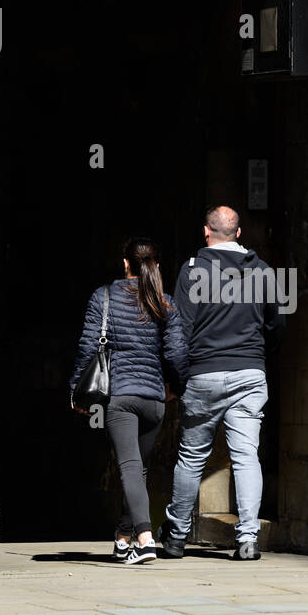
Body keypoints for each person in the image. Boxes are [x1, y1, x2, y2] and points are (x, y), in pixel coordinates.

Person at [160, 205, 287, 562]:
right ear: (239, 233)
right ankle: (247, 538)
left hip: (204, 373)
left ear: (206, 232)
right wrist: (260, 351)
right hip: (249, 372)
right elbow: (277, 324)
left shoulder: (192, 271)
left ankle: (176, 537)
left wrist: (175, 377)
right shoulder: (261, 271)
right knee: (247, 456)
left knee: (190, 458)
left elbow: (180, 329)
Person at [70, 237, 188, 566]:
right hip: (154, 401)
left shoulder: (103, 297)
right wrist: (175, 388)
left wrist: (77, 390)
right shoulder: (165, 303)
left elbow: (87, 347)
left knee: (130, 468)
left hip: (121, 398)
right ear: (157, 266)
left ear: (125, 263)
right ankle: (123, 539)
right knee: (135, 470)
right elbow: (177, 353)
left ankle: (146, 540)